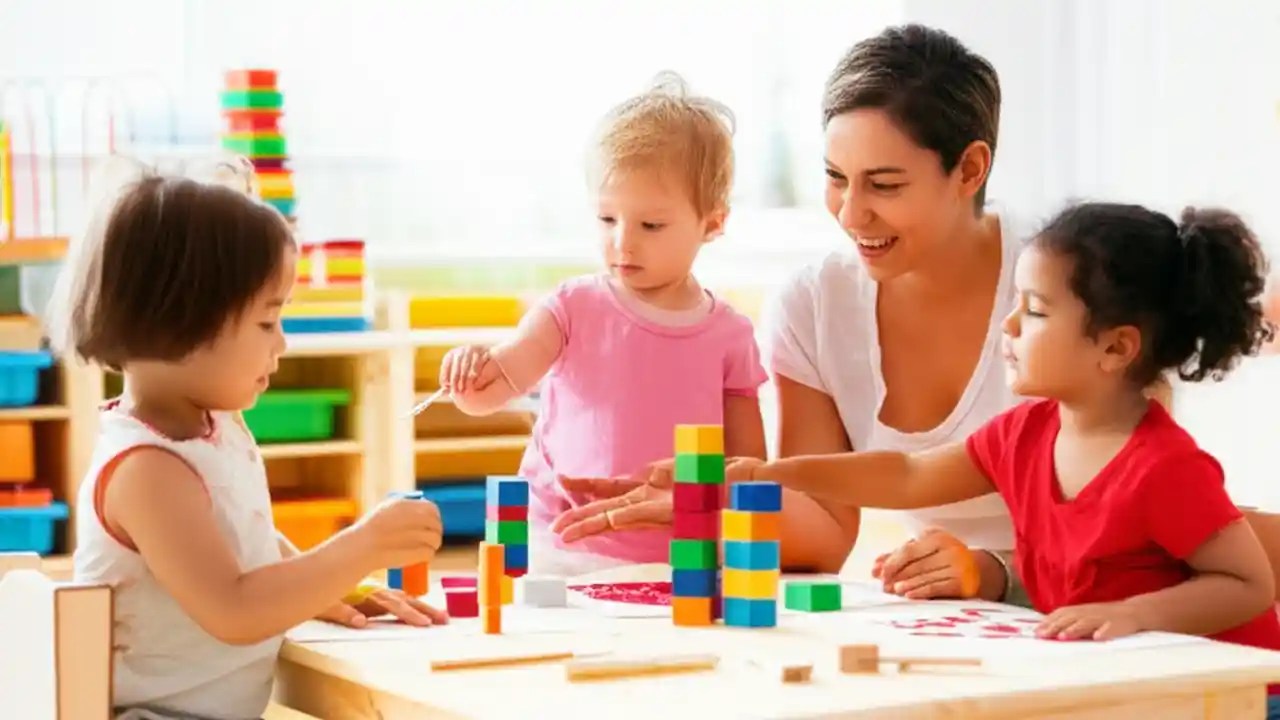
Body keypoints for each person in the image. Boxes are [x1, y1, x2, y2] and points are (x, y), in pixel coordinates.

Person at [721, 202, 1280, 705]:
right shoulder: (1026, 434)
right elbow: (909, 473)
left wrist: (1134, 614)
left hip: (1234, 697)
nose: (1007, 326)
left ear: (1115, 347)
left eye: (1035, 311)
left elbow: (1247, 584)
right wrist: (773, 473)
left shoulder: (1164, 467)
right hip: (1130, 686)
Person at [554, 24, 1036, 603]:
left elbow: (1131, 529)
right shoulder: (815, 306)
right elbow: (826, 532)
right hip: (962, 608)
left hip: (1089, 603)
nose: (852, 215)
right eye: (835, 179)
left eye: (884, 185)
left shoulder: (1068, 287)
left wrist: (996, 570)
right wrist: (707, 503)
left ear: (970, 169)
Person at [52, 164, 446, 720]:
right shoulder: (147, 469)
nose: (281, 344)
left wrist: (326, 586)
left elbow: (246, 538)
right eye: (267, 322)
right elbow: (233, 609)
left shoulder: (215, 425)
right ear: (183, 320)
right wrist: (360, 547)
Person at [437, 72, 768, 576]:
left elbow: (748, 470)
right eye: (607, 219)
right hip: (558, 545)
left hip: (681, 555)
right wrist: (469, 371)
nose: (622, 243)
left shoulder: (730, 336)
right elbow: (488, 390)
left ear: (713, 223)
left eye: (651, 225)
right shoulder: (573, 305)